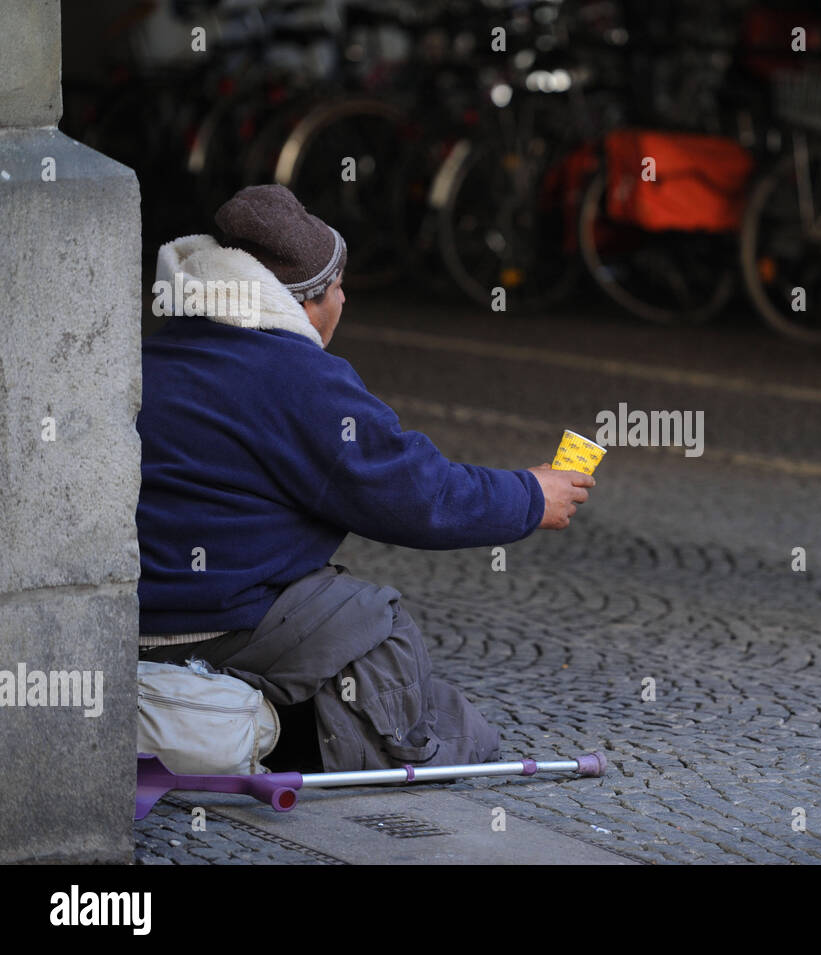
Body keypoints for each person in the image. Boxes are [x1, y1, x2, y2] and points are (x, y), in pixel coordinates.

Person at [136, 184, 597, 768]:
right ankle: (351, 746)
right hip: (215, 623)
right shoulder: (298, 376)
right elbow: (413, 493)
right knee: (376, 621)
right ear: (305, 302)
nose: (345, 299)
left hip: (131, 617)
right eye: (337, 286)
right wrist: (530, 496)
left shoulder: (155, 356)